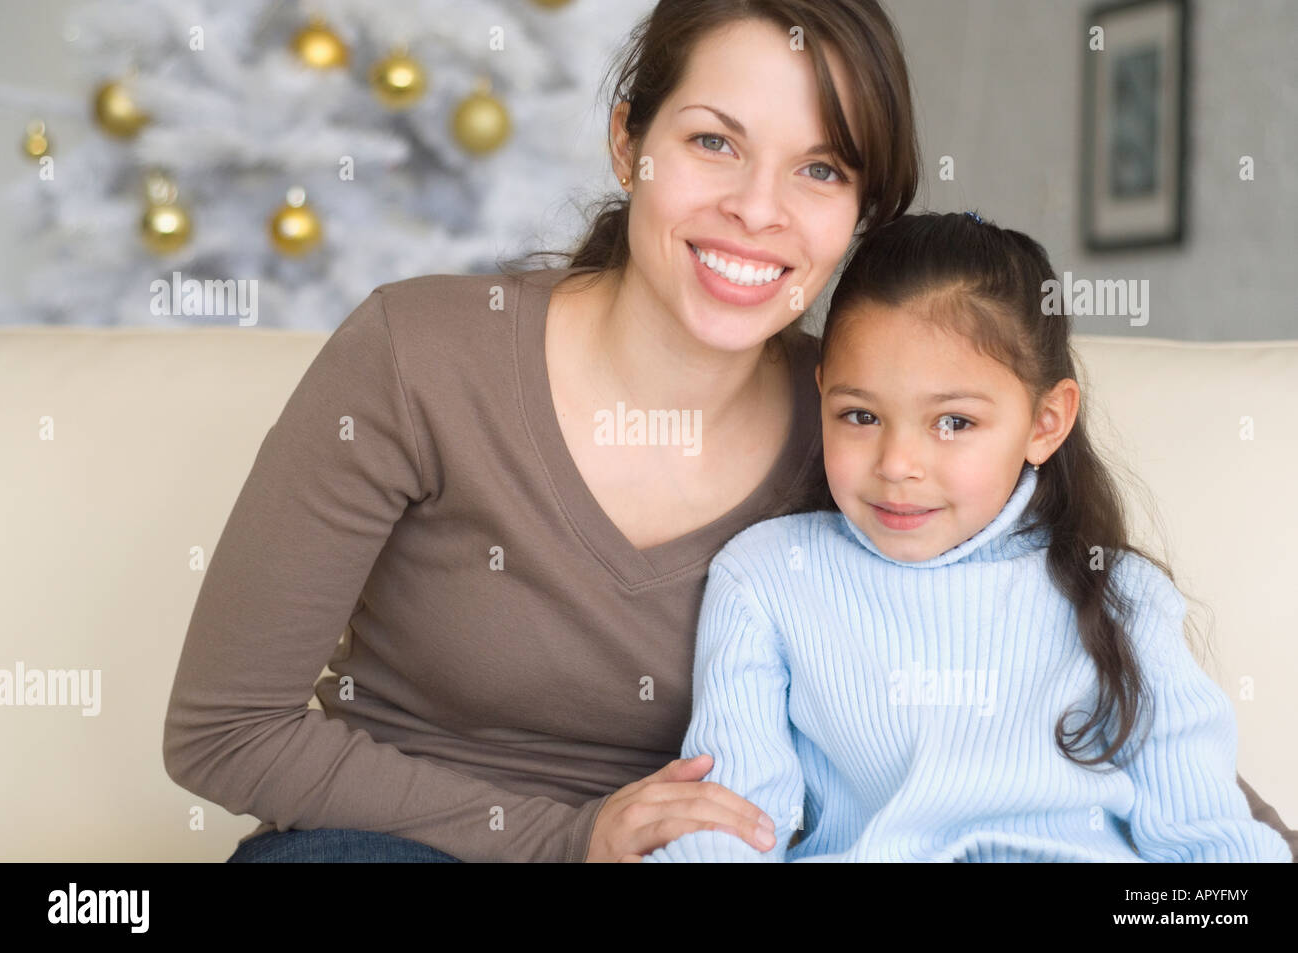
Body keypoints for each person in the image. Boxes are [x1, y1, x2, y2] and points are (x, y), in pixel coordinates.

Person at [163, 0, 1293, 864]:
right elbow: (226, 732)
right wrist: (571, 835)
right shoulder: (422, 355)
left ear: (858, 215)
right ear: (628, 143)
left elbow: (1062, 649)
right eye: (712, 142)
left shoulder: (861, 437)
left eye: (818, 168)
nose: (759, 208)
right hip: (411, 847)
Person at [636, 212, 1294, 862]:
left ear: (1045, 421)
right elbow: (728, 826)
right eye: (859, 415)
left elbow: (1213, 849)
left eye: (953, 422)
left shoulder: (1127, 597)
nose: (898, 464)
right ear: (822, 397)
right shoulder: (765, 578)